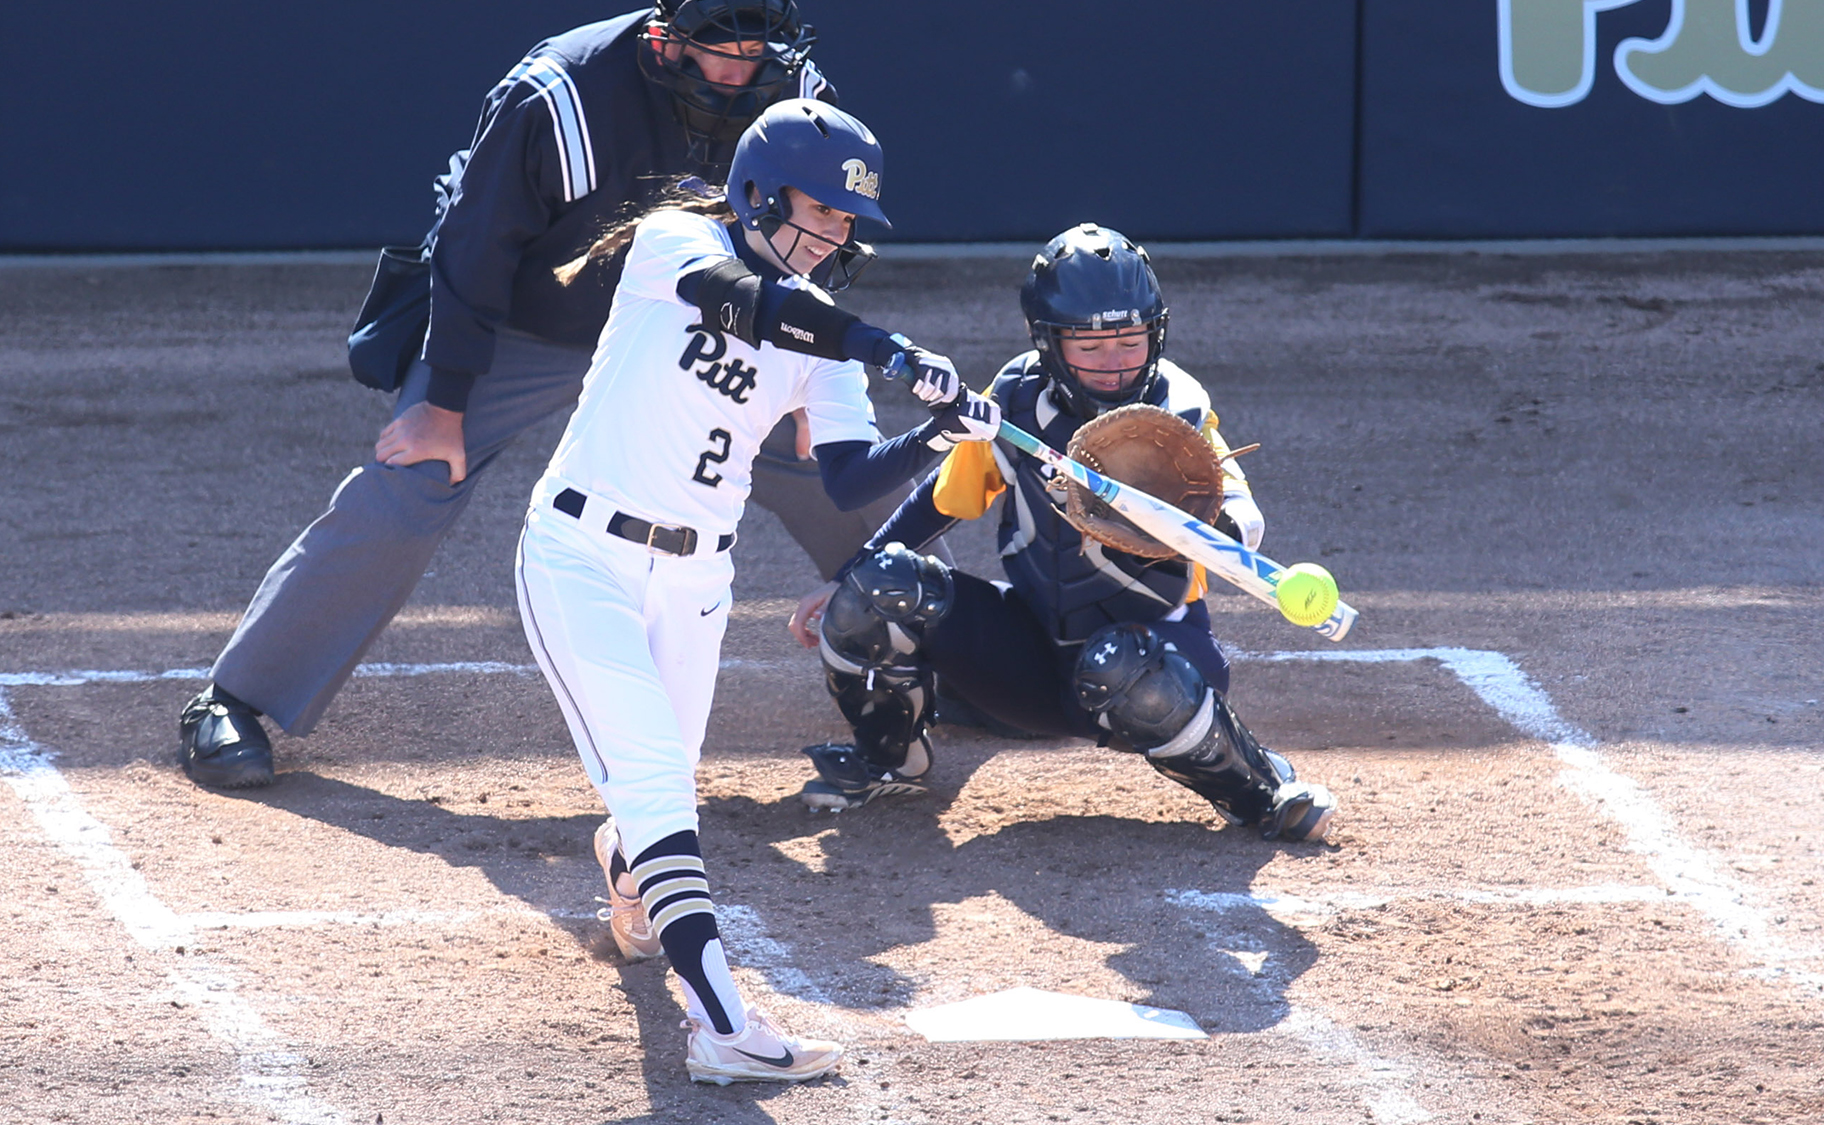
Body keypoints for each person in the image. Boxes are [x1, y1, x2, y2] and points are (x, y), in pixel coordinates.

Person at [176, 0, 923, 788]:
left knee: (832, 460)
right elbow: (471, 241)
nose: (741, 69)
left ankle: (936, 647)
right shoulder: (562, 91)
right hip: (533, 324)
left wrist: (805, 378)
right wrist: (444, 395)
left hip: (700, 323)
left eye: (757, 49)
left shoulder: (796, 92)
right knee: (420, 471)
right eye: (719, 49)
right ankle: (237, 696)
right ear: (669, 33)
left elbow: (809, 234)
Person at [516, 100, 997, 1083]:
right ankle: (720, 1022)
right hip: (579, 559)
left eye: (844, 222)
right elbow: (750, 303)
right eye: (815, 212)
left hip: (696, 580)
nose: (831, 236)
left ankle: (628, 869)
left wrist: (939, 435)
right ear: (755, 194)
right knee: (653, 774)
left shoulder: (823, 333)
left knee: (653, 797)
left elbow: (850, 479)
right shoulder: (672, 243)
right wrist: (881, 345)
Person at [786, 223, 1338, 843]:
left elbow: (1242, 516)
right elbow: (940, 501)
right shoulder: (1018, 397)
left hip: (1151, 660)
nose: (1114, 363)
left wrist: (1212, 521)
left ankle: (1261, 790)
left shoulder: (1175, 409)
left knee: (1121, 662)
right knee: (879, 584)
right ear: (1048, 342)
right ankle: (892, 759)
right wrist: (846, 577)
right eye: (1089, 345)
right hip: (1030, 655)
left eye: (1130, 341)